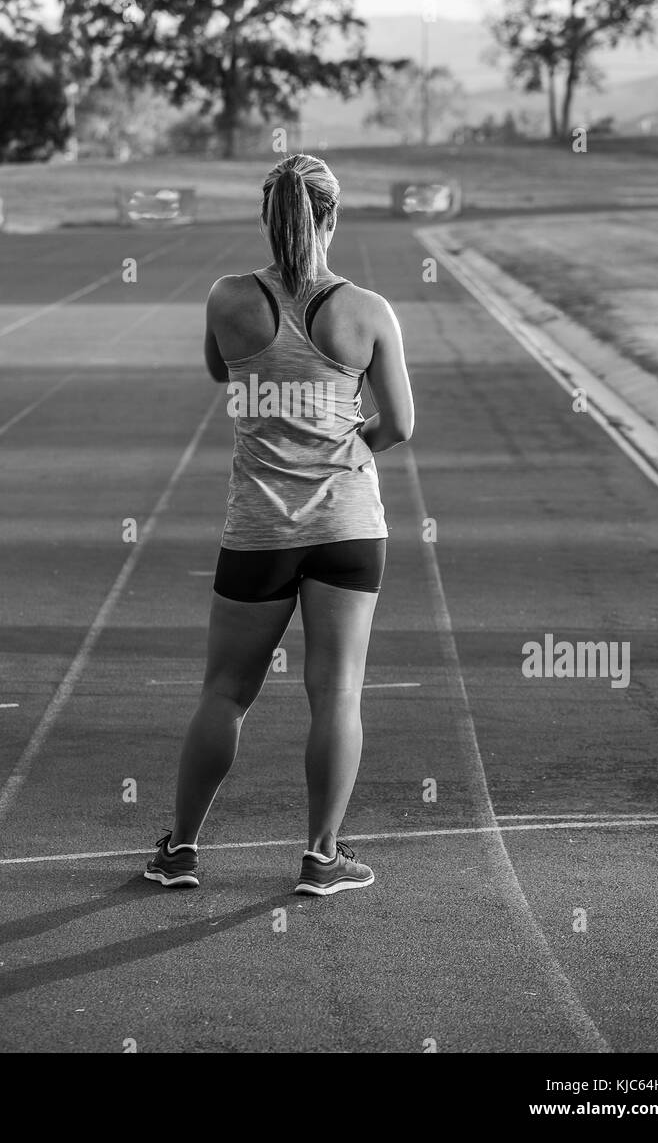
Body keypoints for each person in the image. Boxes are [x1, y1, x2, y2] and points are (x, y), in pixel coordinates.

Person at [146, 153, 414, 895]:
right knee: (337, 694)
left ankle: (180, 851)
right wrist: (352, 439)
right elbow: (401, 424)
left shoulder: (227, 298)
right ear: (331, 216)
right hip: (348, 526)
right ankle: (321, 859)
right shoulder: (367, 310)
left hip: (258, 530)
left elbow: (218, 370)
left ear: (269, 218)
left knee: (225, 693)